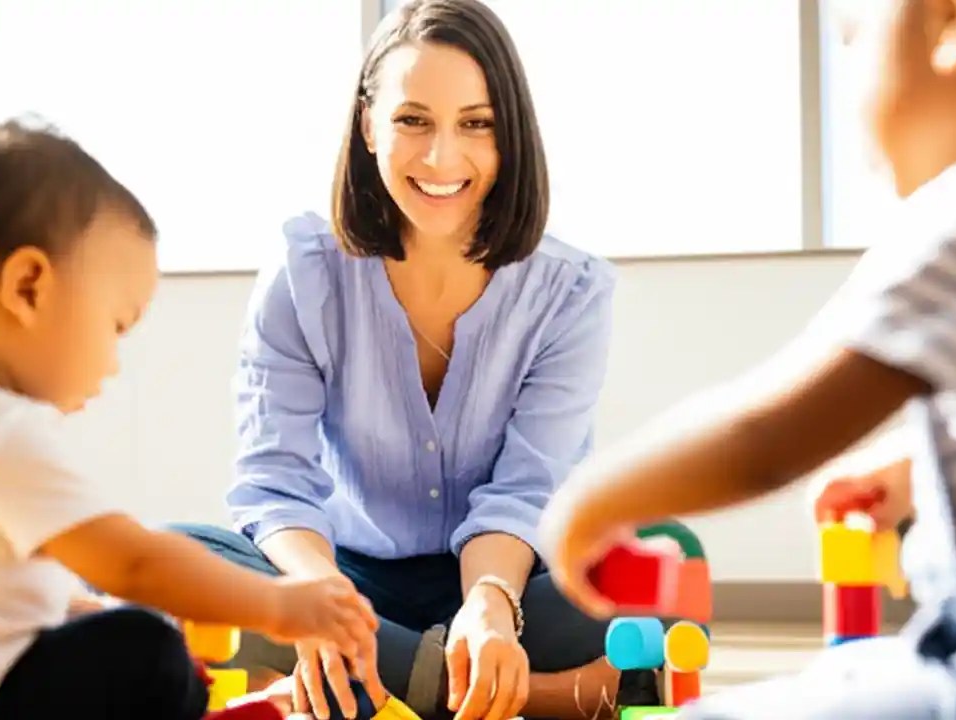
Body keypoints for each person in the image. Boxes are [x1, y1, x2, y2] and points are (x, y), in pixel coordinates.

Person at [539, 0, 956, 717]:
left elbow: (764, 439)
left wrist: (594, 499)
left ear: (954, 21)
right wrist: (915, 471)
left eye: (853, 38)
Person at [173, 1, 633, 719]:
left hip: (507, 583)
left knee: (648, 575)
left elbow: (528, 489)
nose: (441, 157)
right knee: (168, 567)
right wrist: (318, 605)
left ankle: (380, 688)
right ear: (367, 127)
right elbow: (277, 486)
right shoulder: (303, 275)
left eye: (475, 124)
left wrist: (491, 606)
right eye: (412, 120)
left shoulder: (570, 294)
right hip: (344, 576)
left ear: (508, 135)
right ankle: (514, 697)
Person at [0, 120, 379, 719]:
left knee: (117, 623)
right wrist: (278, 605)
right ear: (29, 286)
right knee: (147, 649)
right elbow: (132, 560)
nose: (113, 364)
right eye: (115, 325)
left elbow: (17, 605)